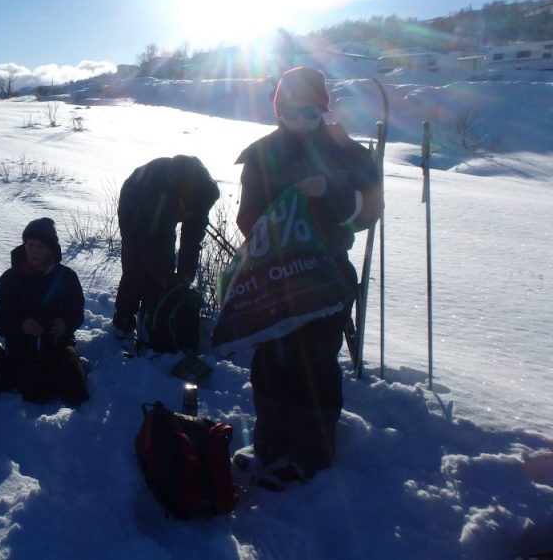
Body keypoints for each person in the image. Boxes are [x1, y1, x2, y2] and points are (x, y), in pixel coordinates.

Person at [231, 66, 382, 490]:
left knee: (313, 362)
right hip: (274, 275)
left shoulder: (346, 152)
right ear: (279, 110)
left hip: (326, 272)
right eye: (292, 110)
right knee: (272, 360)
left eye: (310, 110)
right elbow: (248, 215)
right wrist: (273, 223)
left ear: (322, 109)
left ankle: (310, 453)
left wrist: (329, 195)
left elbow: (369, 211)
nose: (301, 118)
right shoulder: (262, 153)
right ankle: (269, 444)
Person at [113, 155, 220, 334]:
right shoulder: (154, 192)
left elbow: (192, 240)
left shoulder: (202, 195)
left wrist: (186, 274)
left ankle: (155, 311)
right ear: (181, 196)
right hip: (135, 198)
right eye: (187, 211)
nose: (189, 215)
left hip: (166, 207)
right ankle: (124, 316)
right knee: (136, 266)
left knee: (167, 260)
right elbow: (145, 238)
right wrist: (161, 274)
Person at [0, 218, 88, 406]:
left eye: (40, 247)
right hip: (22, 343)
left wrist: (65, 323)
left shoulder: (66, 276)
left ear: (51, 249)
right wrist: (21, 326)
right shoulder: (11, 278)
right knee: (28, 388)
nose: (33, 251)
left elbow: (76, 311)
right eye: (30, 245)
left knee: (73, 385)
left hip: (57, 343)